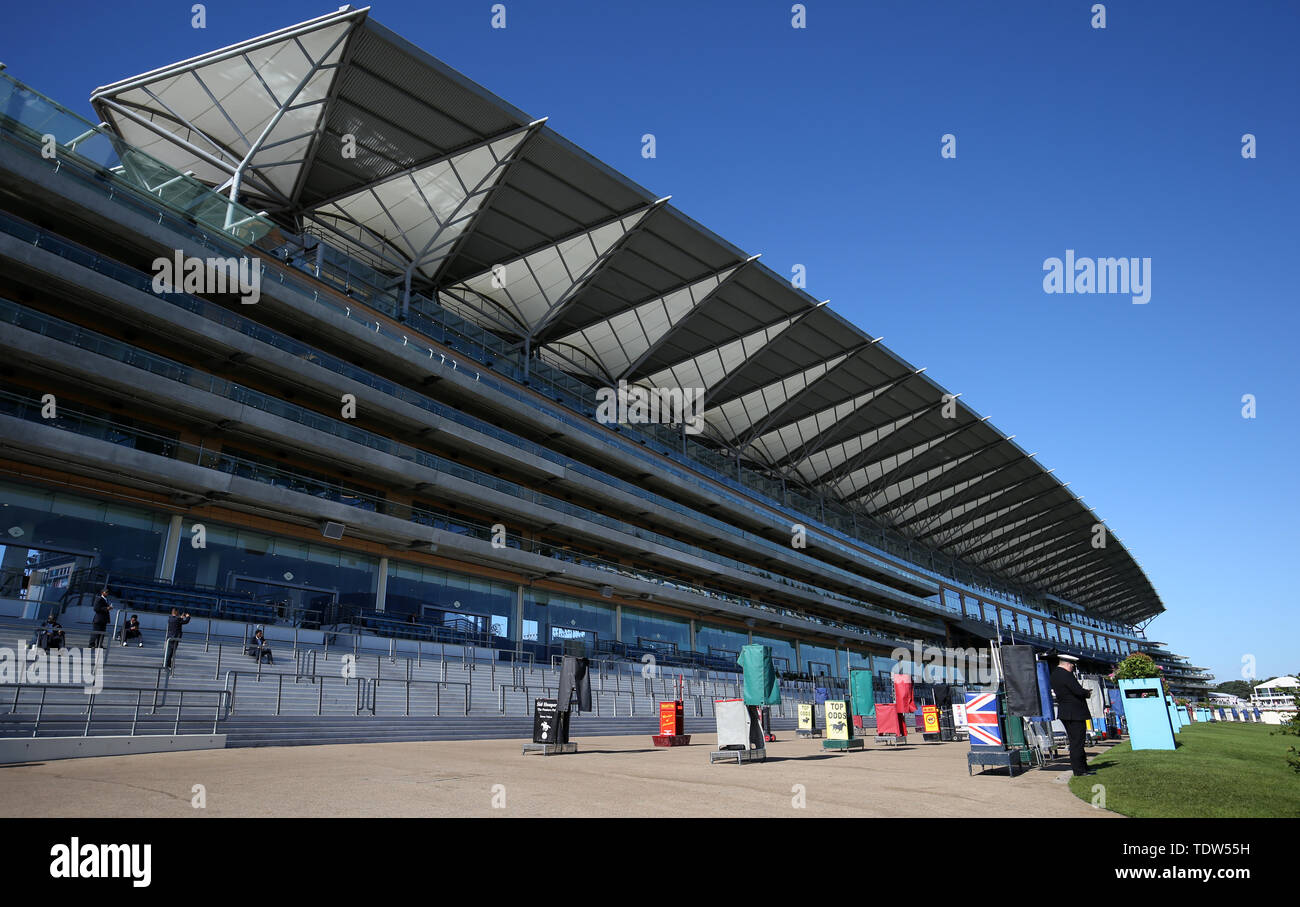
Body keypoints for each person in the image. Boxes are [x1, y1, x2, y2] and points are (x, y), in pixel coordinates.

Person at [1050, 654, 1095, 776]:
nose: (1073, 667)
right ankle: (1080, 770)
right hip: (1075, 713)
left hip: (1066, 712)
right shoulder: (1066, 675)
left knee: (1075, 741)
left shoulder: (1055, 674)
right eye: (1072, 664)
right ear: (1066, 664)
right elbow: (1077, 690)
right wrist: (1087, 693)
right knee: (1077, 743)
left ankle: (1083, 767)